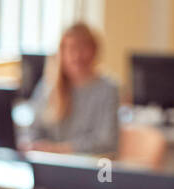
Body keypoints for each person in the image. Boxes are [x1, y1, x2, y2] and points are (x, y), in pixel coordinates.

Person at [25, 22, 119, 155]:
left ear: (94, 50)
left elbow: (106, 141)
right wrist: (36, 145)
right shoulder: (48, 85)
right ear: (61, 53)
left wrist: (58, 150)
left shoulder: (108, 89)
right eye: (71, 49)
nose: (77, 56)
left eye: (83, 48)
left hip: (88, 165)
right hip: (49, 163)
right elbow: (33, 130)